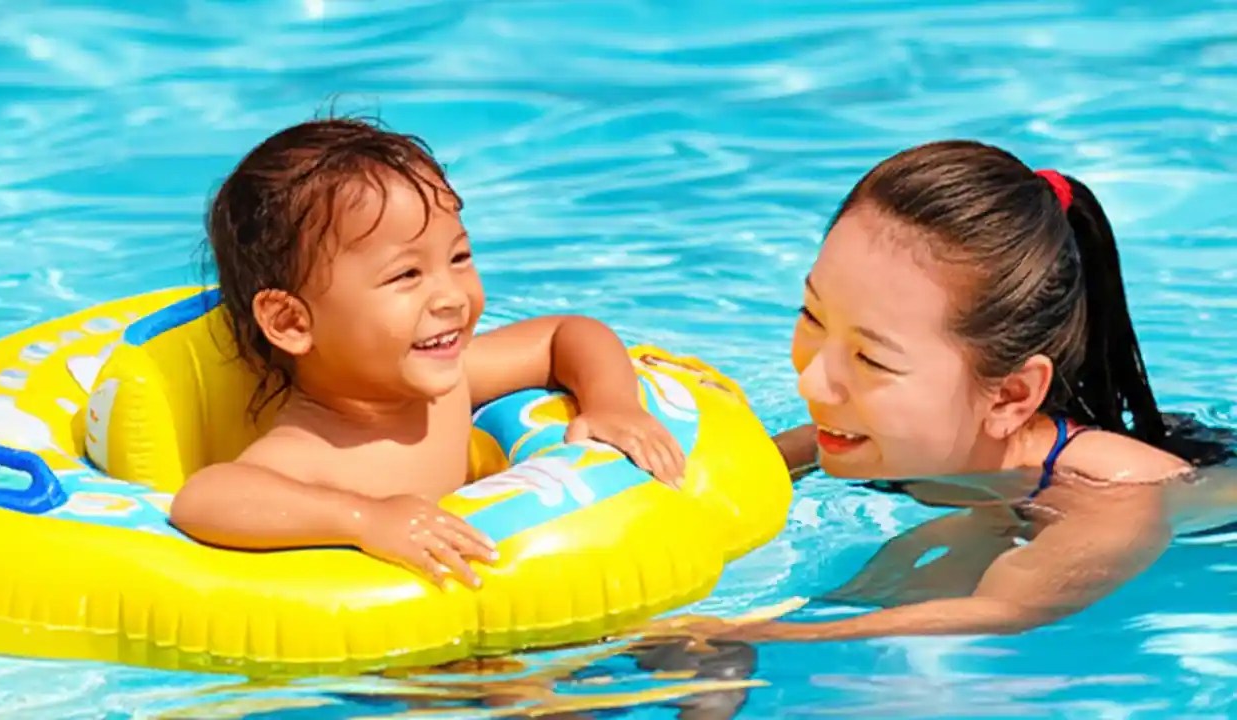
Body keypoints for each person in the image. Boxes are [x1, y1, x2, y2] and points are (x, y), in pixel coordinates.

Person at [642, 139, 1235, 644]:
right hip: (997, 489)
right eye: (813, 316)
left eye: (870, 358)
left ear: (1009, 397)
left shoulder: (1115, 500)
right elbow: (740, 471)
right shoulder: (894, 429)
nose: (812, 379)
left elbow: (1001, 613)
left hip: (1155, 521)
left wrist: (755, 634)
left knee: (914, 582)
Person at [168, 117, 686, 590]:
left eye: (459, 257)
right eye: (406, 275)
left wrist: (612, 402)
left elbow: (565, 336)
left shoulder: (449, 382)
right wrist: (363, 518)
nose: (451, 296)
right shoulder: (310, 451)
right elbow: (204, 500)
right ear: (291, 322)